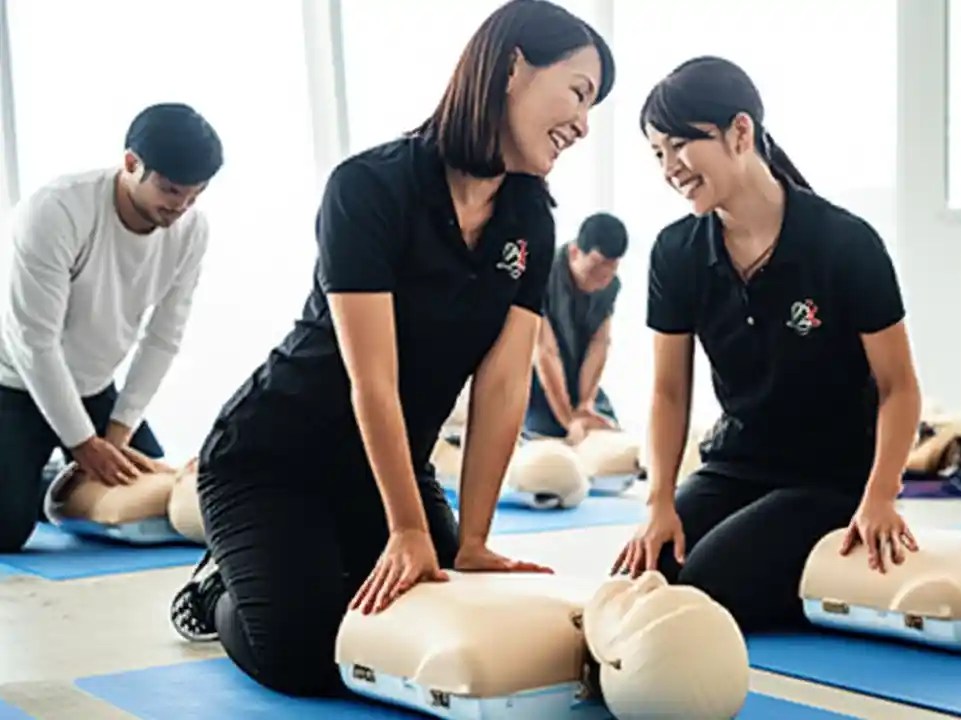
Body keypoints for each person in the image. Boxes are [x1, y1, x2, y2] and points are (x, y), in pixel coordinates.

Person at [166, 0, 615, 697]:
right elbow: (371, 378)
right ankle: (224, 583)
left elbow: (501, 387)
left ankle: (329, 555)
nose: (585, 125)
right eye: (579, 93)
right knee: (304, 652)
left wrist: (469, 542)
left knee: (417, 614)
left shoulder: (530, 218)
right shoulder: (368, 187)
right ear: (512, 66)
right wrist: (407, 528)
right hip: (272, 458)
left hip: (388, 464)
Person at [612, 56, 925, 633]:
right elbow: (668, 392)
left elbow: (898, 386)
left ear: (740, 132)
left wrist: (881, 494)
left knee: (709, 585)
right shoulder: (676, 252)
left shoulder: (844, 242)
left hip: (827, 477)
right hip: (736, 465)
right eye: (658, 153)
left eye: (681, 144)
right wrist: (657, 503)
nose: (670, 167)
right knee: (640, 576)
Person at [0, 103, 222, 552]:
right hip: (14, 381)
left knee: (156, 504)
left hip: (93, 384)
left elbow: (163, 337)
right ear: (131, 164)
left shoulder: (191, 229)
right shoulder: (56, 211)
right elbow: (35, 342)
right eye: (170, 190)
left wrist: (117, 431)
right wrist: (82, 443)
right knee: (6, 530)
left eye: (194, 195)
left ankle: (52, 468)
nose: (180, 207)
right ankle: (42, 469)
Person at [525, 211, 627, 442]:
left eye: (610, 270)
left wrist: (585, 405)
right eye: (596, 268)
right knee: (550, 439)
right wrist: (568, 420)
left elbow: (599, 344)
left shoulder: (610, 285)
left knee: (608, 431)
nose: (603, 279)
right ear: (574, 252)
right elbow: (545, 353)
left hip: (575, 375)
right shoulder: (542, 273)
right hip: (535, 378)